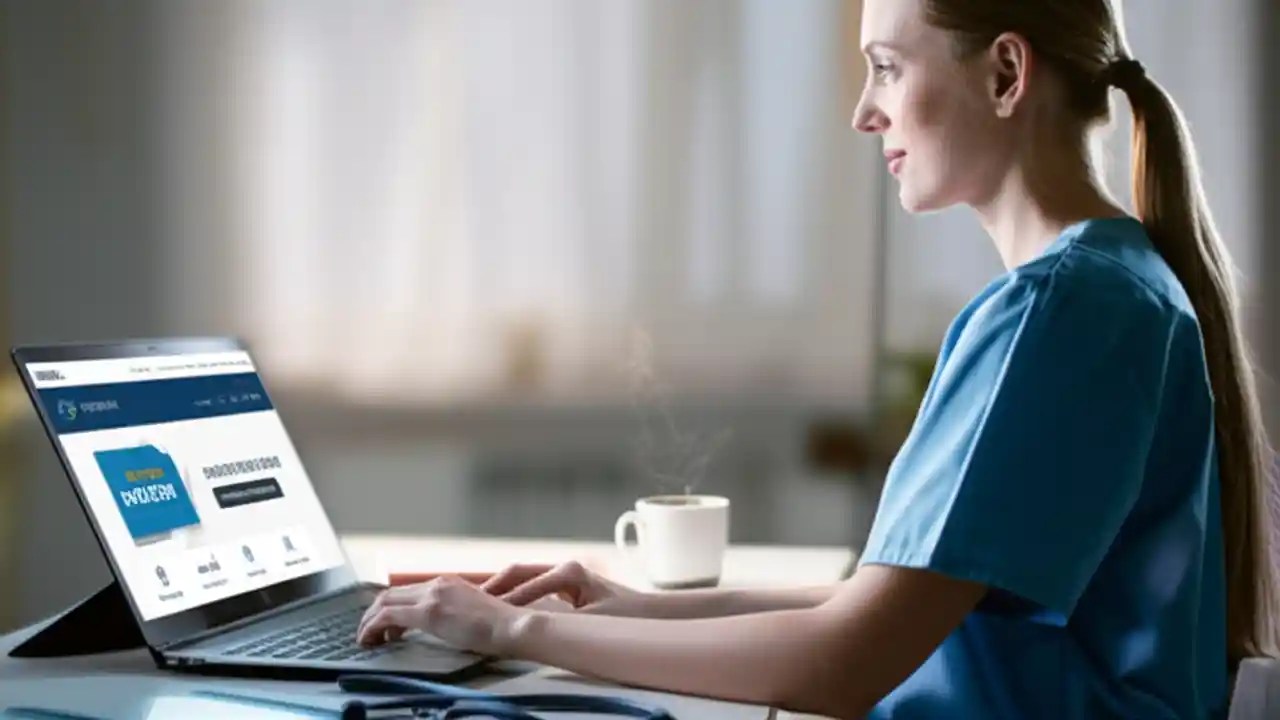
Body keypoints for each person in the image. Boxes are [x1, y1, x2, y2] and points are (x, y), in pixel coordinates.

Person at [355, 0, 1279, 716]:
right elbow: (879, 604)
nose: (863, 112)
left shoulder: (1059, 310)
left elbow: (845, 662)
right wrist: (624, 604)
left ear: (1006, 72)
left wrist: (517, 629)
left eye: (886, 68)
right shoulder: (1111, 284)